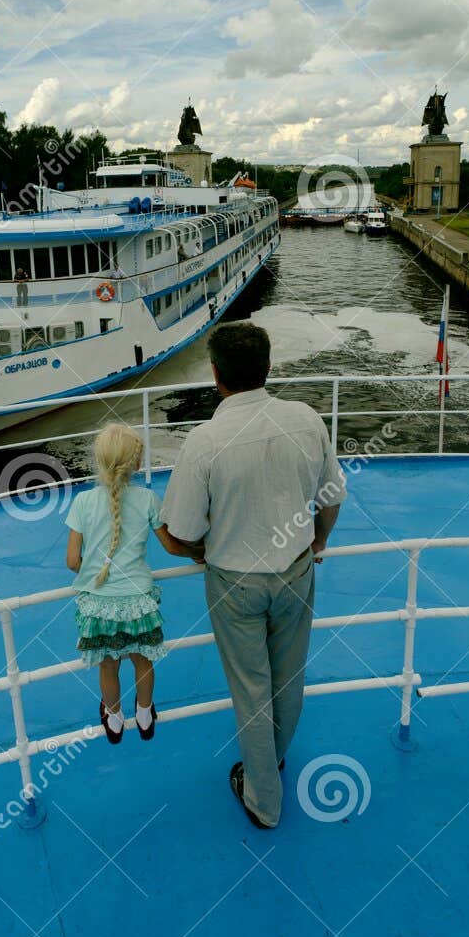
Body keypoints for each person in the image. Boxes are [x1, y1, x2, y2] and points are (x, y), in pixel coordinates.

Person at [161, 321, 345, 829]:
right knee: (288, 679)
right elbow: (330, 497)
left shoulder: (205, 441)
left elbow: (180, 532)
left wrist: (197, 551)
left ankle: (264, 800)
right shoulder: (307, 419)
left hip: (234, 582)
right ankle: (274, 759)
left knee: (251, 690)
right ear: (268, 368)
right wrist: (319, 540)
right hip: (297, 570)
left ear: (215, 374)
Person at [66, 424, 199, 744]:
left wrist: (97, 576)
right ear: (136, 464)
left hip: (100, 604)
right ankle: (144, 713)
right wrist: (199, 553)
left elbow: (72, 561)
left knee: (108, 666)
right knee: (143, 660)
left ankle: (113, 719)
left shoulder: (82, 502)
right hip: (139, 601)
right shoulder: (148, 499)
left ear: (99, 461)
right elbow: (172, 546)